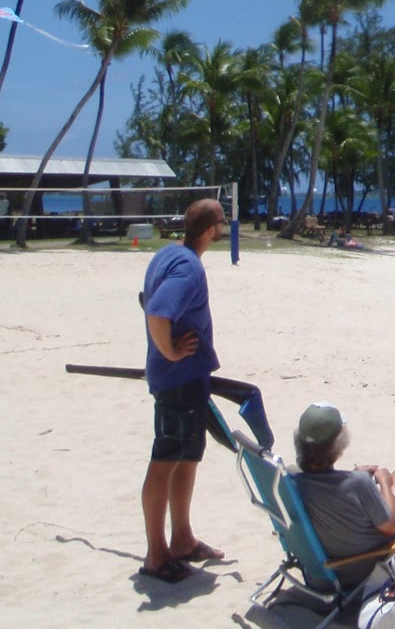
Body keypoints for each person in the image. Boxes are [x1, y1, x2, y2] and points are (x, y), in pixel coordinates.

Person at [139, 197, 226, 583]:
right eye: (221, 223)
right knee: (165, 459)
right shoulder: (188, 269)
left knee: (187, 456)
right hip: (178, 381)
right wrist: (171, 351)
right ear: (211, 230)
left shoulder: (169, 254)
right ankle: (156, 555)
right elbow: (156, 310)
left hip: (187, 380)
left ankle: (183, 539)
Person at [291, 403, 395, 588]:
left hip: (322, 571)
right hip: (367, 570)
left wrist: (352, 474)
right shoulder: (359, 483)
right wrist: (384, 482)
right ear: (338, 444)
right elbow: (391, 527)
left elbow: (329, 485)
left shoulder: (293, 482)